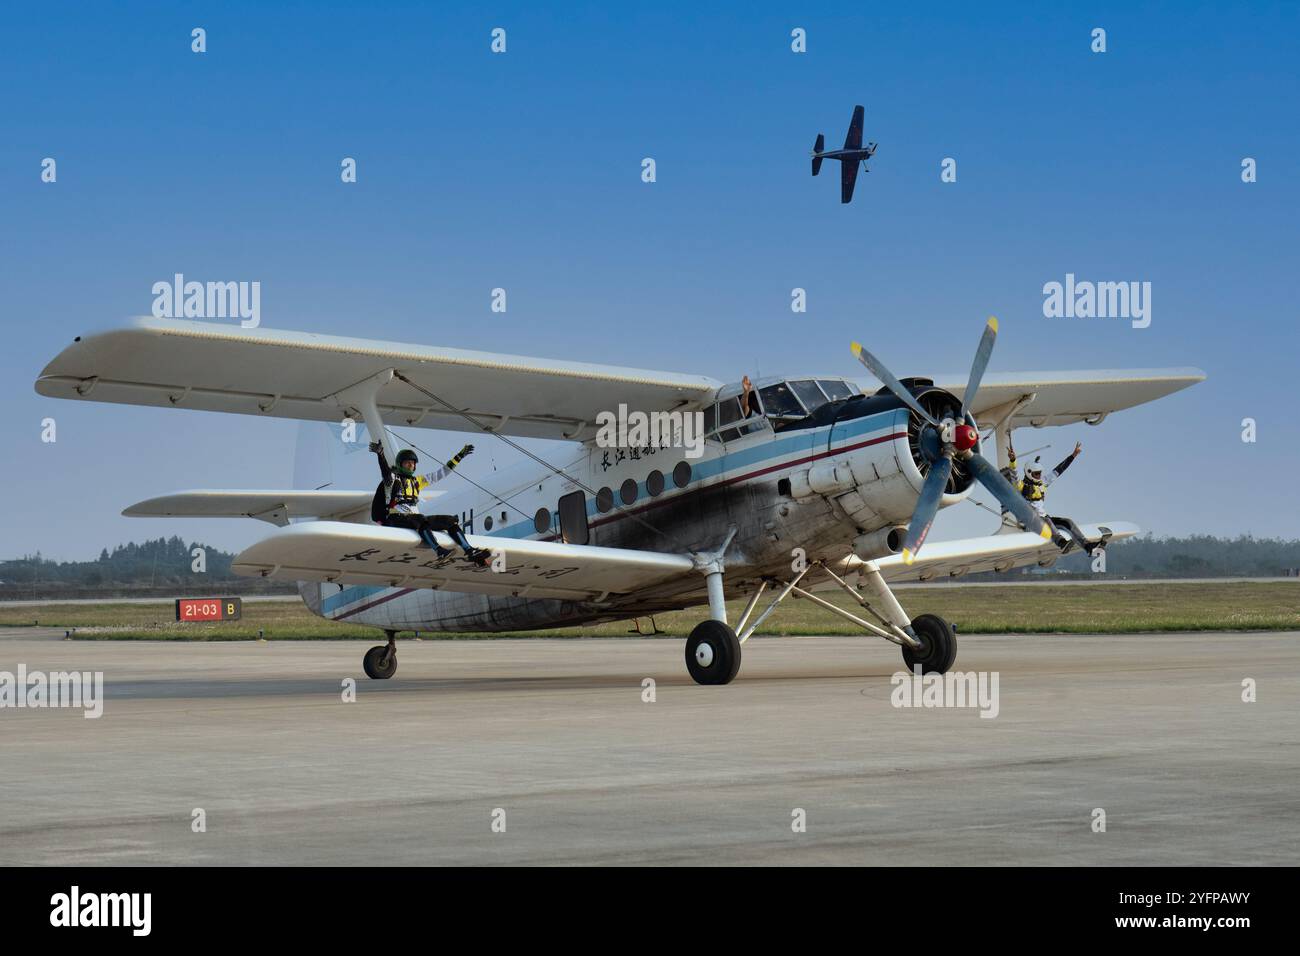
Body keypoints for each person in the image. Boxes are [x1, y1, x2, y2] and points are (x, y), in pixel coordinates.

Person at [369, 441, 490, 566]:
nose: (410, 465)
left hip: (415, 519)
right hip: (396, 518)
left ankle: (470, 551)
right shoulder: (393, 479)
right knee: (420, 519)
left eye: (412, 463)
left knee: (450, 521)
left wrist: (459, 456)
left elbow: (441, 473)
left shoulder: (417, 481)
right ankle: (439, 550)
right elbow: (386, 473)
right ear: (400, 464)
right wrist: (380, 454)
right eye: (407, 463)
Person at [1005, 436, 1102, 554]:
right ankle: (1061, 543)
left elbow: (1059, 470)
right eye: (1036, 474)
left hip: (1044, 519)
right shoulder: (1021, 486)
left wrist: (1073, 456)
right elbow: (1014, 475)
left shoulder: (1043, 483)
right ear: (1029, 473)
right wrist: (1013, 461)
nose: (1039, 476)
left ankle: (1087, 546)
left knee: (1067, 522)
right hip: (1030, 523)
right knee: (1048, 521)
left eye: (1039, 473)